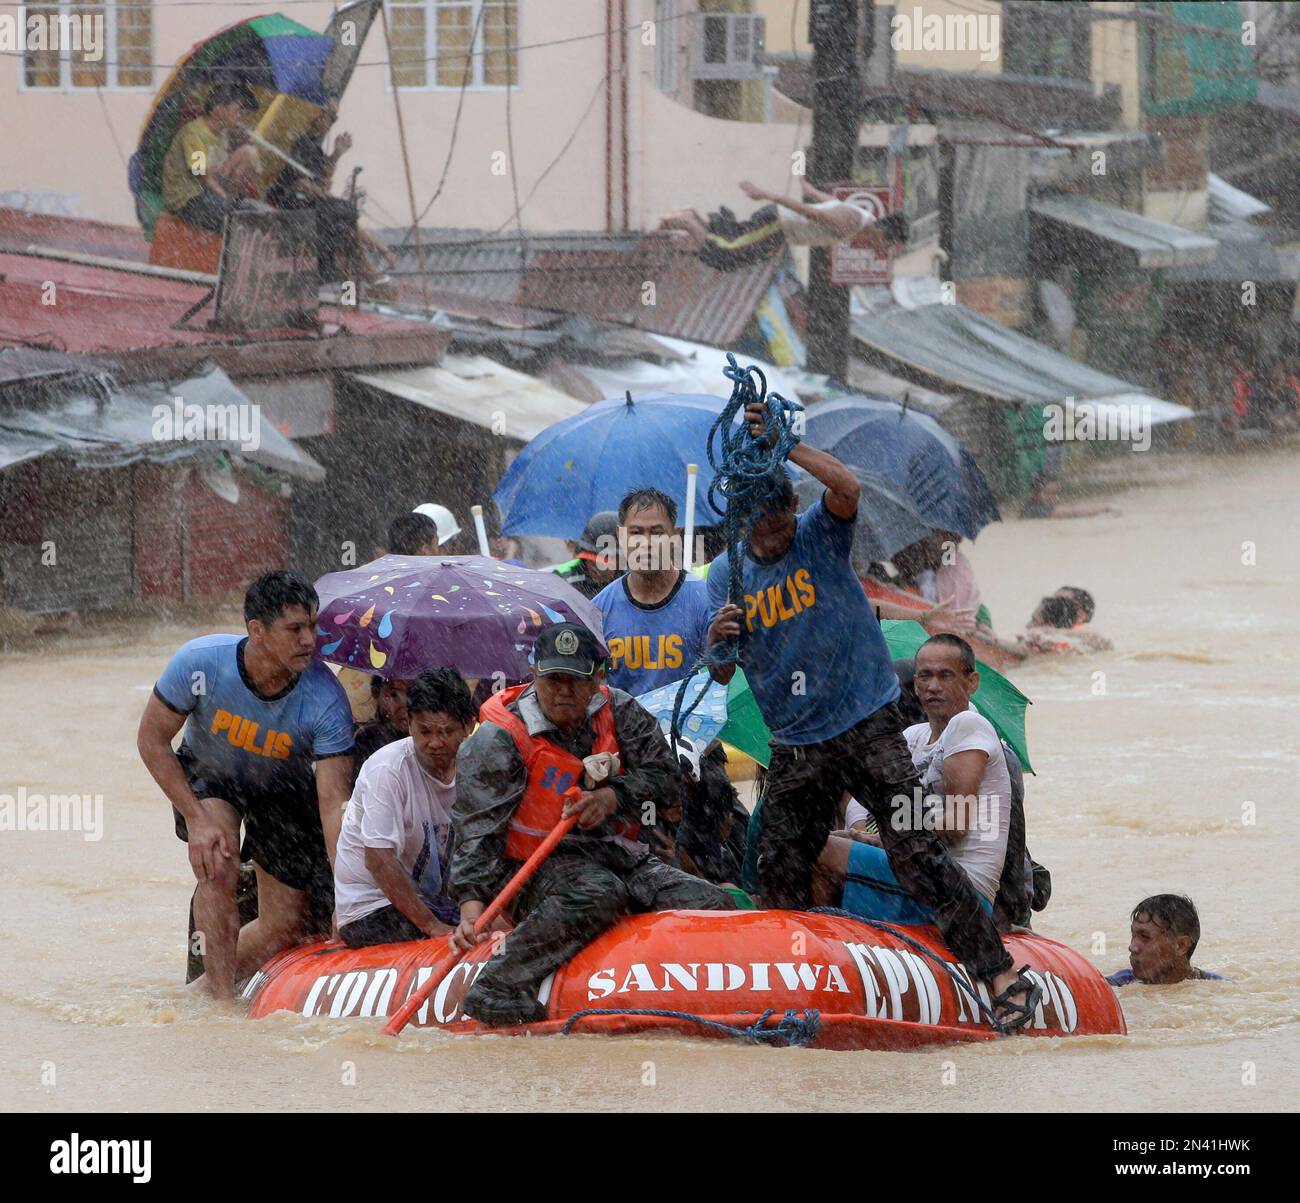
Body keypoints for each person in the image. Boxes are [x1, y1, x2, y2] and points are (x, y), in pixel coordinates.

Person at [706, 402, 1040, 1029]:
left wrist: (787, 444)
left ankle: (998, 973)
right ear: (742, 522)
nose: (773, 540)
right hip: (796, 743)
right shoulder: (726, 574)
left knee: (916, 850)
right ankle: (787, 983)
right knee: (777, 864)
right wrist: (717, 641)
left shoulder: (818, 531)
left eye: (780, 526)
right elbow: (723, 671)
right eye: (763, 532)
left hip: (868, 723)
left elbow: (847, 485)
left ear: (790, 512)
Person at [449, 622, 732, 1026]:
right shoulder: (498, 738)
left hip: (615, 855)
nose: (564, 691)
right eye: (554, 680)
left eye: (575, 681)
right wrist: (471, 909)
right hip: (532, 869)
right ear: (535, 676)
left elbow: (668, 777)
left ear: (596, 679)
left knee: (711, 903)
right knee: (601, 893)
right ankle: (498, 984)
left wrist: (614, 796)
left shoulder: (619, 710)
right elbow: (475, 830)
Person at [136, 571, 355, 999]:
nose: (310, 640)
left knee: (284, 924)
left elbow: (333, 804)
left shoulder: (326, 699)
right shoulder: (199, 663)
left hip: (283, 787)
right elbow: (151, 740)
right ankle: (221, 1004)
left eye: (313, 626)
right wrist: (197, 820)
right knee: (218, 863)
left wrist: (348, 892)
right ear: (257, 630)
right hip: (209, 775)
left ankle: (196, 993)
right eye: (295, 629)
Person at [815, 636, 1011, 927]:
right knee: (812, 841)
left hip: (960, 889)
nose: (933, 686)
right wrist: (857, 833)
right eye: (925, 676)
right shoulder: (912, 736)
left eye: (946, 676)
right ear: (915, 685)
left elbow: (955, 826)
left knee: (821, 851)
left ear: (972, 682)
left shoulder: (968, 724)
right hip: (916, 871)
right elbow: (865, 801)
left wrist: (879, 840)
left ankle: (822, 939)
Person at [334, 669, 474, 948]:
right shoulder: (387, 769)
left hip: (434, 901)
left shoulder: (477, 765)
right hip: (371, 908)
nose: (435, 743)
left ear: (468, 727)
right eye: (424, 731)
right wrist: (433, 927)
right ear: (409, 725)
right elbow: (378, 860)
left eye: (446, 731)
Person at [265, 101, 396, 293]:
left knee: (346, 232)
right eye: (330, 117)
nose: (331, 123)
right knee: (344, 218)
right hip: (293, 206)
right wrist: (324, 195)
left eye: (334, 119)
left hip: (310, 207)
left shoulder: (314, 146)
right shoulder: (301, 143)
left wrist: (336, 154)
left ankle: (358, 290)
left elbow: (322, 179)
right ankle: (371, 276)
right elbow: (299, 182)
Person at [592, 487, 712, 695]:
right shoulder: (599, 609)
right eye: (636, 532)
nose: (646, 543)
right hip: (626, 726)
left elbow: (723, 677)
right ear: (621, 536)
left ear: (675, 536)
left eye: (656, 533)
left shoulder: (704, 600)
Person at [659, 178, 909, 273]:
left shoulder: (861, 215)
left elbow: (827, 201)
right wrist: (765, 193)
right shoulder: (851, 223)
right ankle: (687, 220)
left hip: (779, 230)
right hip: (778, 224)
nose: (875, 249)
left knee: (729, 247)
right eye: (882, 245)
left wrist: (809, 188)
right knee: (726, 254)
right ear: (881, 232)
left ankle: (692, 216)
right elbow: (807, 211)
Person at [161, 82, 266, 233]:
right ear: (218, 110)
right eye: (238, 111)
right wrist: (226, 199)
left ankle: (235, 206)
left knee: (249, 153)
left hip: (209, 194)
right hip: (188, 200)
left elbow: (222, 170)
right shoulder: (194, 134)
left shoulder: (222, 134)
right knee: (243, 218)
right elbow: (201, 175)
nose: (241, 117)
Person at [1107, 895, 1227, 986]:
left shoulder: (1218, 988)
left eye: (1144, 937)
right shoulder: (1120, 983)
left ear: (1181, 946)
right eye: (1133, 935)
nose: (1132, 947)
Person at [1018, 586, 1113, 655]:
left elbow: (1105, 643)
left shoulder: (1090, 635)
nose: (1053, 603)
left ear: (1080, 614)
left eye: (1061, 600)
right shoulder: (1038, 635)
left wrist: (1049, 633)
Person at [551, 511, 621, 599]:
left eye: (605, 563)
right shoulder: (563, 576)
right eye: (592, 561)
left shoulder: (631, 580)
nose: (597, 568)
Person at [353, 676, 413, 769]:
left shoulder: (430, 737)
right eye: (394, 695)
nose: (405, 705)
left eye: (413, 694)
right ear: (376, 692)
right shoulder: (367, 738)